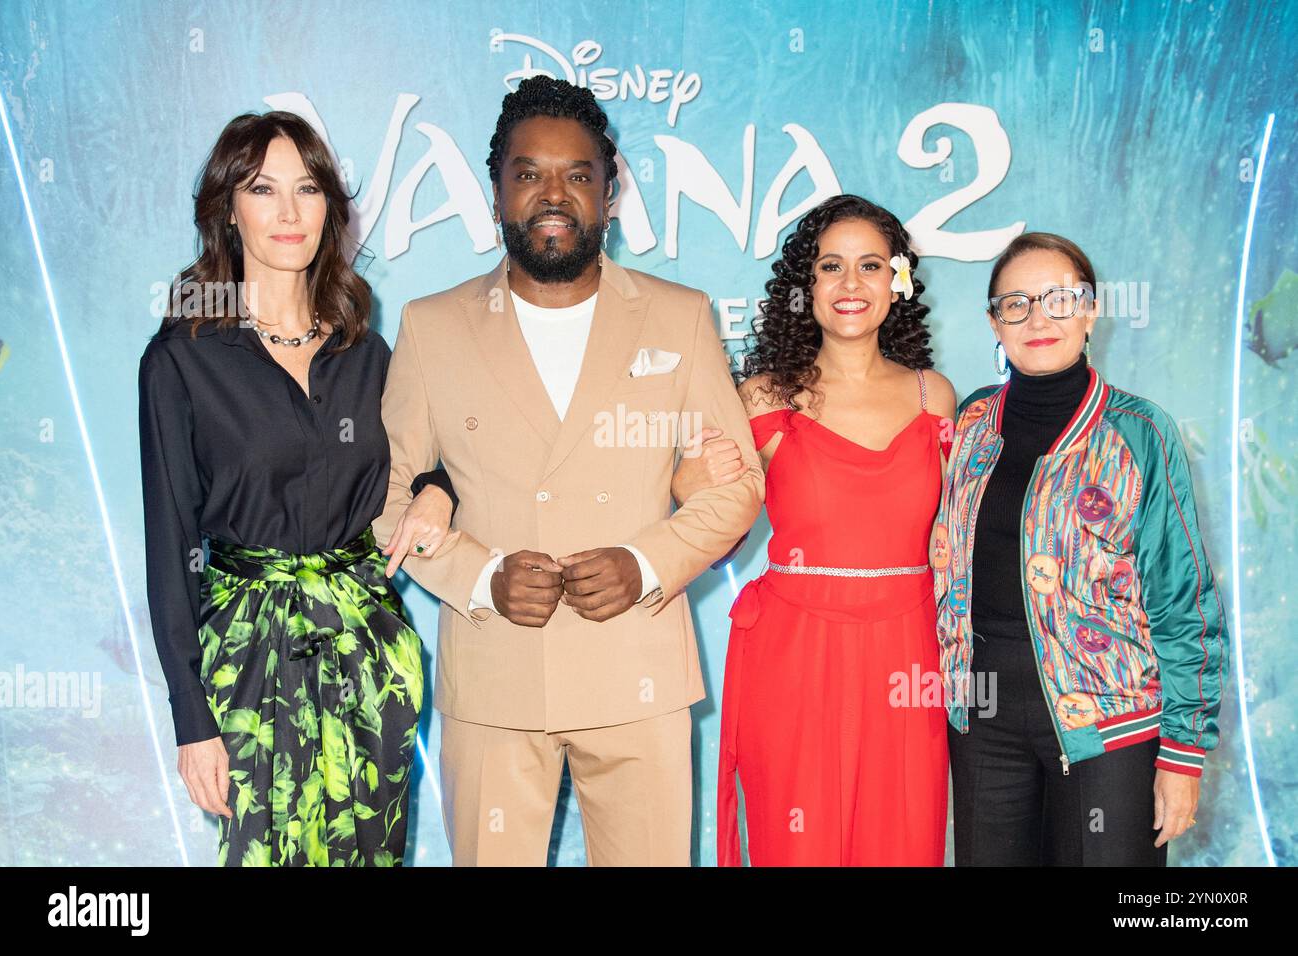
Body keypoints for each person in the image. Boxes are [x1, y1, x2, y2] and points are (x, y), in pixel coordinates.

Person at [372, 76, 763, 866]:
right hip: (493, 681)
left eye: (578, 175)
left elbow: (736, 485)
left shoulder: (679, 316)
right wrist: (481, 578)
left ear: (610, 193)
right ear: (495, 193)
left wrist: (645, 563)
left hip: (637, 672)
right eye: (529, 174)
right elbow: (386, 497)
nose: (554, 195)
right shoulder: (431, 326)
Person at [139, 111, 451, 866]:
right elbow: (170, 542)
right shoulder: (183, 358)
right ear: (227, 210)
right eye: (262, 189)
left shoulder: (366, 352)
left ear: (330, 211)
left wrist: (439, 490)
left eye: (307, 190)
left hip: (368, 656)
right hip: (245, 665)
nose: (287, 212)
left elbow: (422, 461)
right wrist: (191, 718)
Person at [675, 194, 957, 865]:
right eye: (831, 266)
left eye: (869, 265)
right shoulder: (764, 396)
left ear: (899, 280)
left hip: (908, 653)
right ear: (807, 285)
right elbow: (699, 508)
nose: (850, 284)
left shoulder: (934, 395)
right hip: (795, 652)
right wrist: (694, 472)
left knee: (905, 840)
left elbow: (953, 536)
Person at [932, 231, 1230, 865]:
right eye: (1016, 303)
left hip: (1109, 727)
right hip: (982, 720)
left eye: (1059, 299)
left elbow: (1185, 602)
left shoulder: (1139, 432)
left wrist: (1183, 753)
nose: (1038, 318)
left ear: (1091, 309)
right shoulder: (969, 426)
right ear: (994, 322)